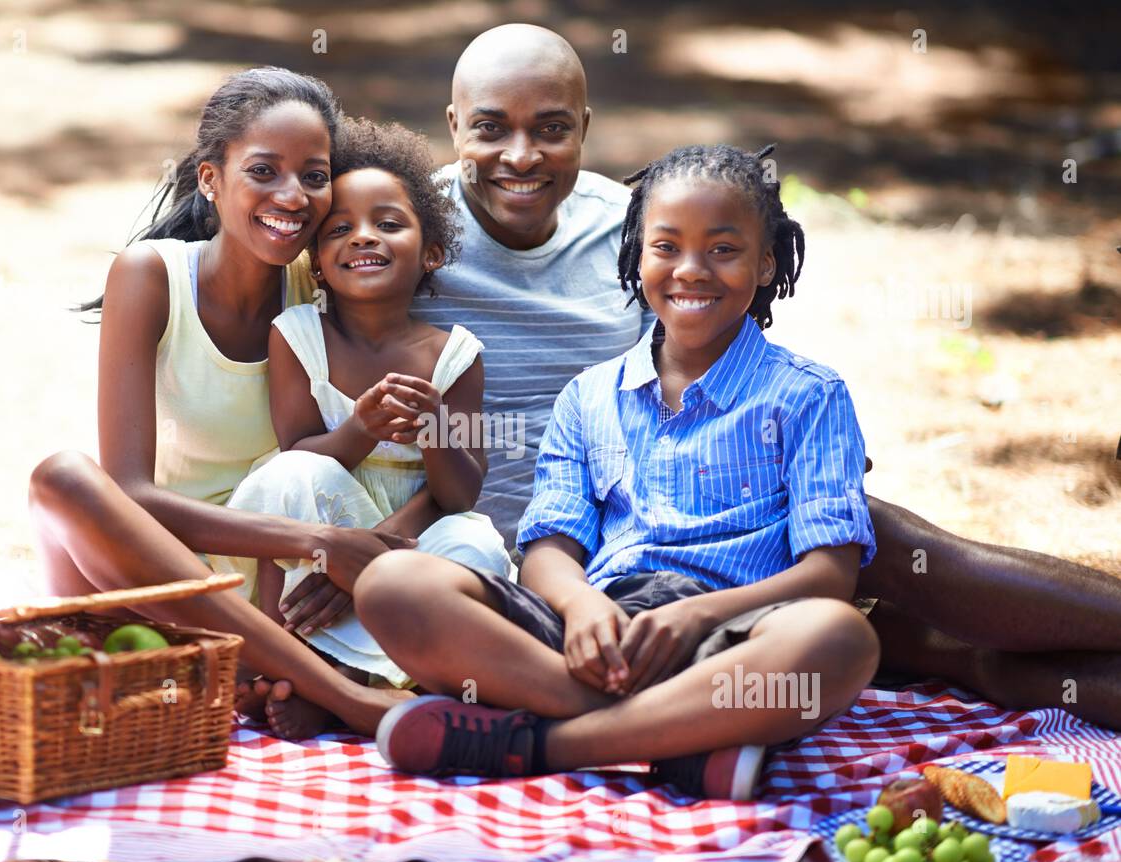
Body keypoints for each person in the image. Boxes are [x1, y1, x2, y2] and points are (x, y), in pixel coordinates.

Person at [409, 23, 1121, 729]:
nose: (521, 155)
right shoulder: (403, 231)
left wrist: (793, 432)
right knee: (870, 617)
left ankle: (962, 653)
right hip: (545, 550)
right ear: (453, 125)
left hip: (694, 513)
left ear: (585, 126)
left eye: (552, 128)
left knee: (874, 535)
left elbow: (702, 332)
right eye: (491, 129)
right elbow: (315, 340)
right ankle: (941, 659)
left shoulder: (625, 226)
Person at [357, 143, 879, 797]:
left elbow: (829, 575)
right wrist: (581, 608)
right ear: (636, 256)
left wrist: (695, 617)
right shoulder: (590, 395)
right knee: (391, 584)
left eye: (723, 249)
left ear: (766, 260)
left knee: (840, 636)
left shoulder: (810, 394)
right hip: (594, 635)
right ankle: (679, 745)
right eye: (666, 247)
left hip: (733, 640)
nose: (691, 270)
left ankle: (540, 744)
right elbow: (547, 547)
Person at [27, 68, 431, 738]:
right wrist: (323, 541)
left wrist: (370, 549)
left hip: (285, 597)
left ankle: (256, 671)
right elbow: (131, 492)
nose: (292, 195)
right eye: (264, 171)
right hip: (160, 578)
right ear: (211, 180)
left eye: (314, 174)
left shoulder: (329, 281)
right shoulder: (152, 276)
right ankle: (339, 696)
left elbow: (420, 451)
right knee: (61, 479)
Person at [216, 117, 512, 736]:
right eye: (340, 229)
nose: (363, 238)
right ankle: (288, 664)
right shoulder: (297, 336)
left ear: (430, 251)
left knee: (475, 544)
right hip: (322, 544)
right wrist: (362, 426)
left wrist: (434, 432)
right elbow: (299, 451)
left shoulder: (456, 354)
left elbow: (459, 495)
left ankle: (359, 687)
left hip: (414, 543)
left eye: (388, 223)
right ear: (318, 263)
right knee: (290, 476)